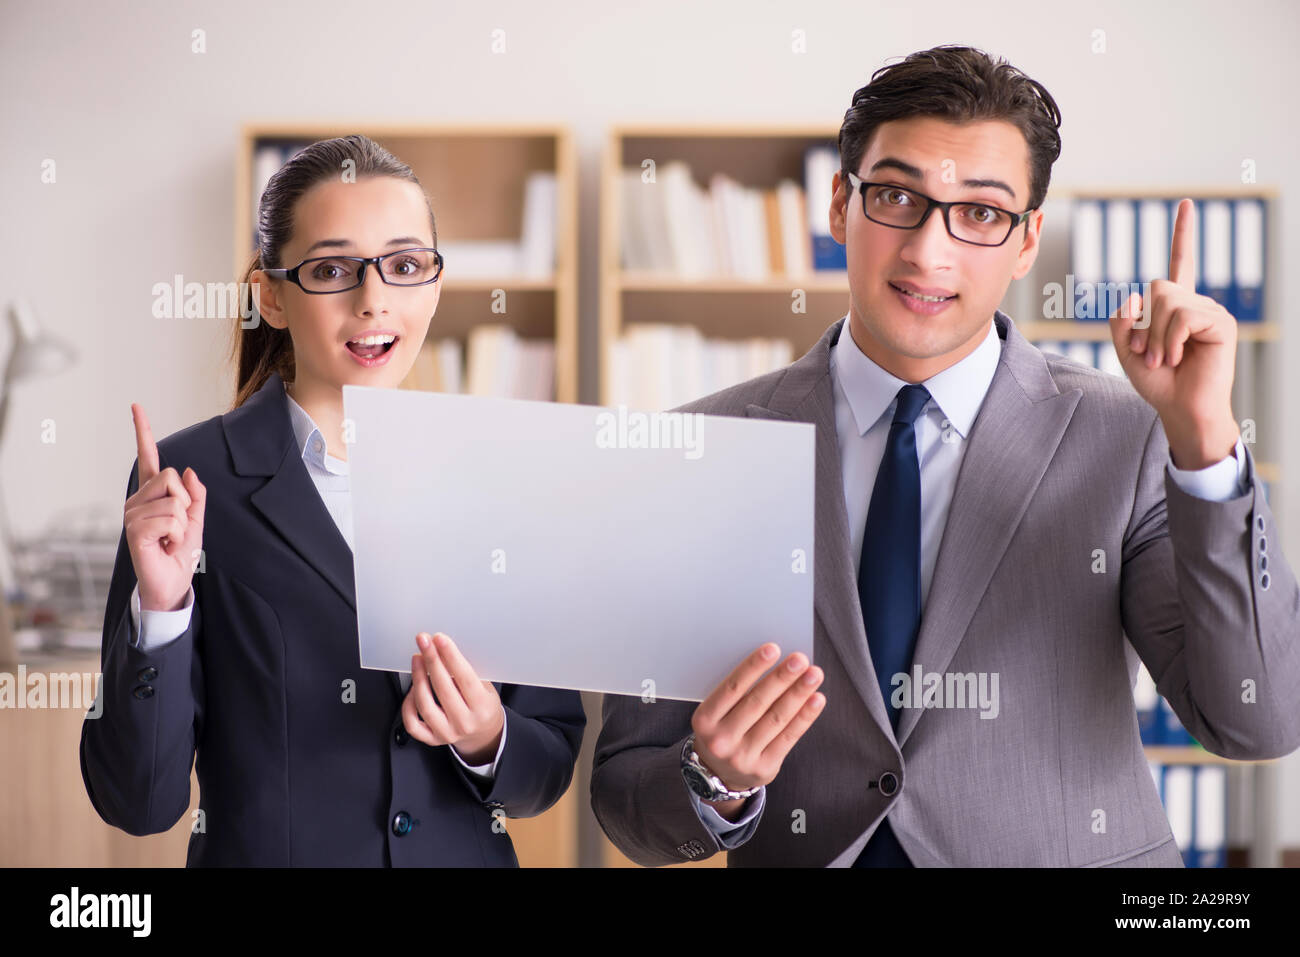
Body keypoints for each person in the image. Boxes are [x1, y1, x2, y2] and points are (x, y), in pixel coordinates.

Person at [590, 45, 1300, 867]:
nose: (930, 252)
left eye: (982, 213)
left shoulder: (1132, 436)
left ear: (1027, 239)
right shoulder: (701, 449)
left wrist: (1206, 438)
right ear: (838, 205)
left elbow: (1257, 718)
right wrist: (713, 778)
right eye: (896, 196)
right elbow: (625, 800)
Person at [81, 134, 585, 866]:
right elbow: (139, 801)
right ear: (273, 297)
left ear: (435, 286)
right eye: (332, 269)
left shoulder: (502, 477)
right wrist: (161, 613)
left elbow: (551, 762)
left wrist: (486, 735)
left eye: (406, 265)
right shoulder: (188, 480)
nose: (374, 299)